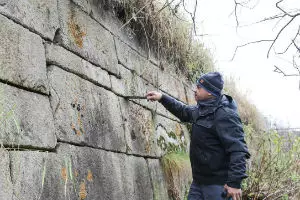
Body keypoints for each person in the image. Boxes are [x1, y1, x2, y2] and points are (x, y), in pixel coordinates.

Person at [146, 72, 250, 200]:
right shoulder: (201, 110)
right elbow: (183, 111)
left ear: (210, 92)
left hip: (218, 186)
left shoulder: (225, 114)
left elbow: (238, 150)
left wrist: (234, 183)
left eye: (199, 88)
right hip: (198, 183)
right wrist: (162, 97)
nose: (195, 90)